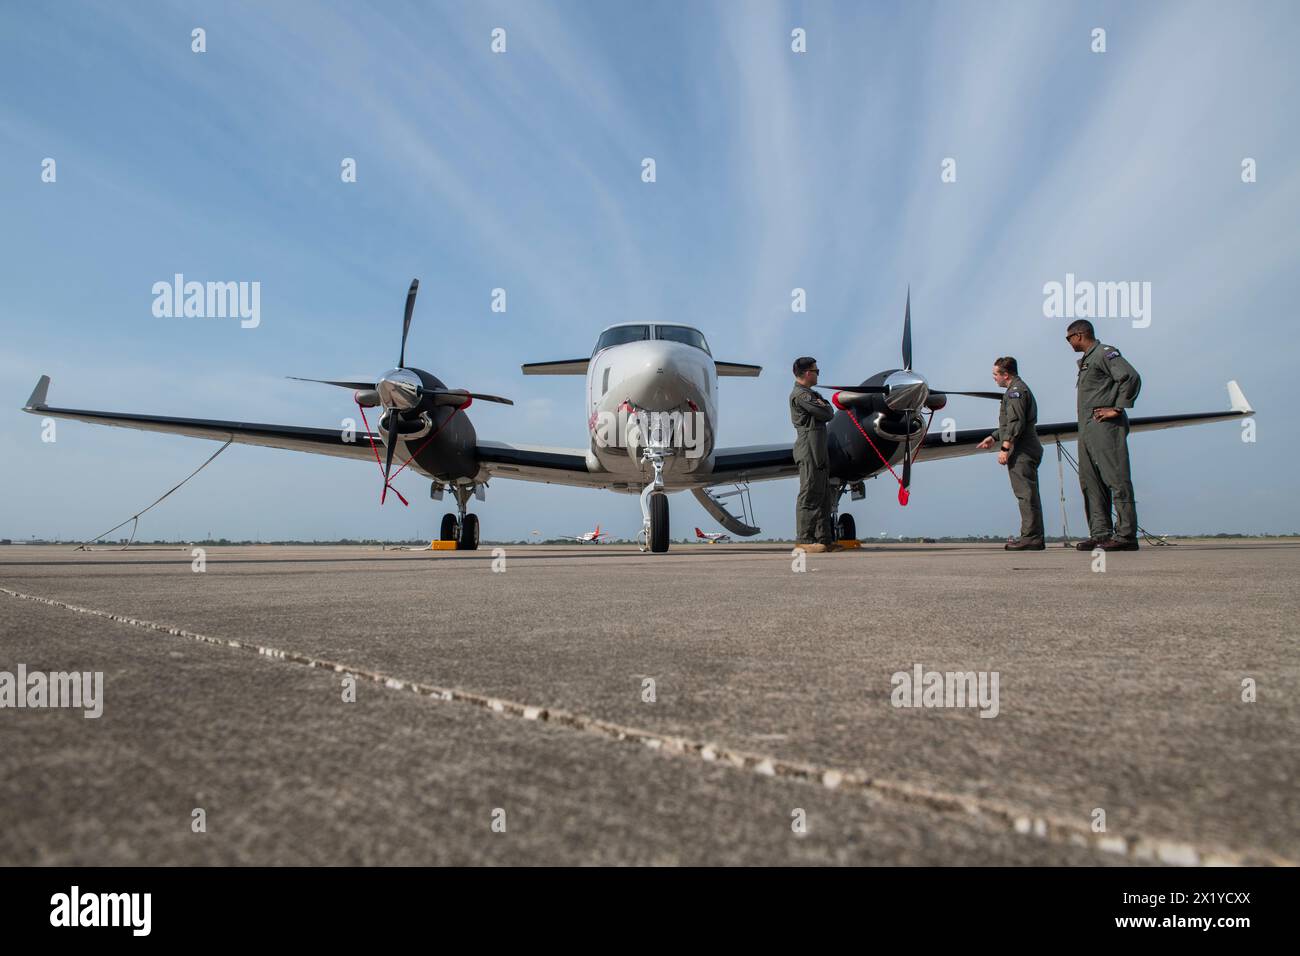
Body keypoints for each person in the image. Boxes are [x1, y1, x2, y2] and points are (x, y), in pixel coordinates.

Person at [1066, 320, 1142, 551]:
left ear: (1079, 335)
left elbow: (1130, 376)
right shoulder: (1088, 360)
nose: (1068, 342)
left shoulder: (1104, 353)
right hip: (1087, 429)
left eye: (1068, 338)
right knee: (1091, 482)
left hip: (1105, 426)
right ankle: (1100, 534)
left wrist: (1117, 408)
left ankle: (1126, 535)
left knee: (1116, 478)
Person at [977, 356, 1044, 550]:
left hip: (1023, 449)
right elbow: (1012, 423)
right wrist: (994, 437)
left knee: (1026, 494)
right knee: (1027, 493)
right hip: (1025, 445)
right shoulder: (1016, 390)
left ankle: (1031, 538)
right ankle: (1033, 536)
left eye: (995, 374)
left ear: (1005, 375)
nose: (994, 378)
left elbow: (1016, 422)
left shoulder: (1015, 392)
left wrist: (1005, 448)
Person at [789, 356, 837, 552]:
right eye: (816, 371)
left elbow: (828, 409)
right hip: (809, 446)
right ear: (807, 373)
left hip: (818, 445)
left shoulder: (811, 393)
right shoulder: (801, 395)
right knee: (810, 492)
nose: (818, 374)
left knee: (824, 493)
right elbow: (827, 413)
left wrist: (824, 405)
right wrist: (824, 405)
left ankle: (824, 539)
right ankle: (805, 540)